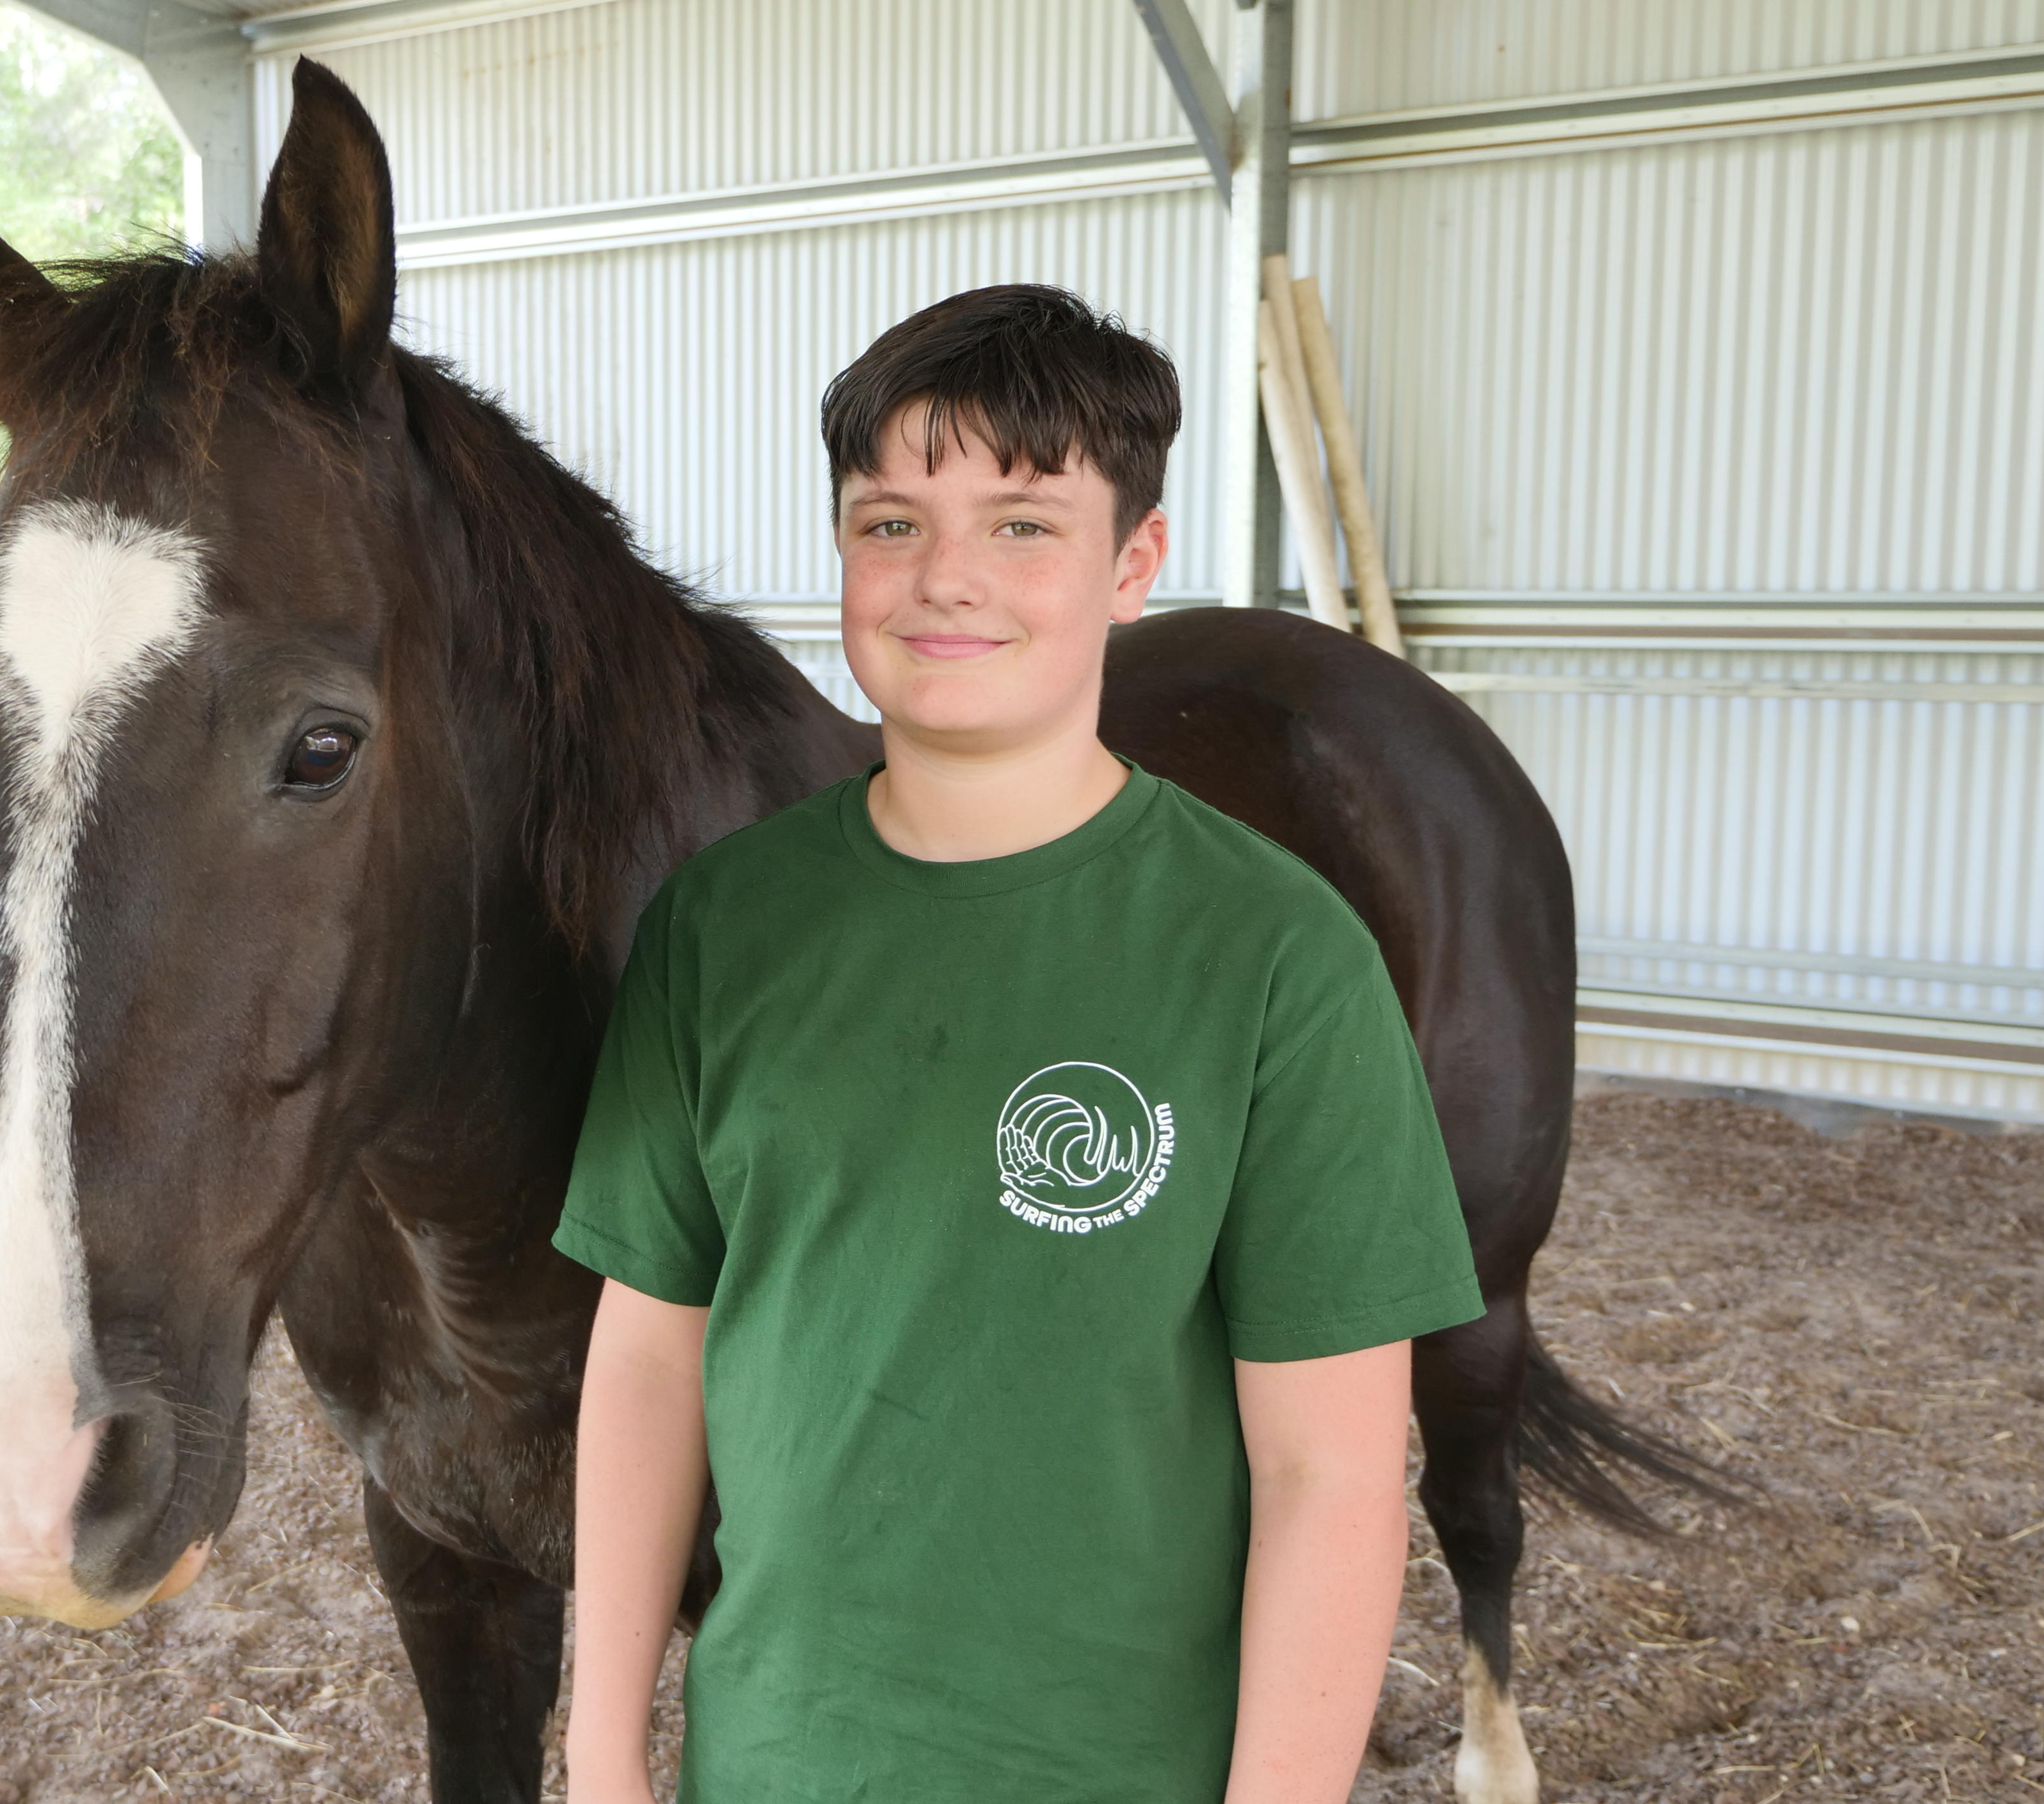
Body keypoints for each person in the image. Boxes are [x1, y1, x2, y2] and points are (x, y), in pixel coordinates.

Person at [556, 285, 1484, 1803]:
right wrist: (600, 1752)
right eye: (890, 523)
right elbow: (648, 1357)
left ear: (1135, 565)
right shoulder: (719, 927)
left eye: (1022, 525)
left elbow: (1329, 1472)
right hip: (776, 1761)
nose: (944, 581)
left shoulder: (1273, 954)